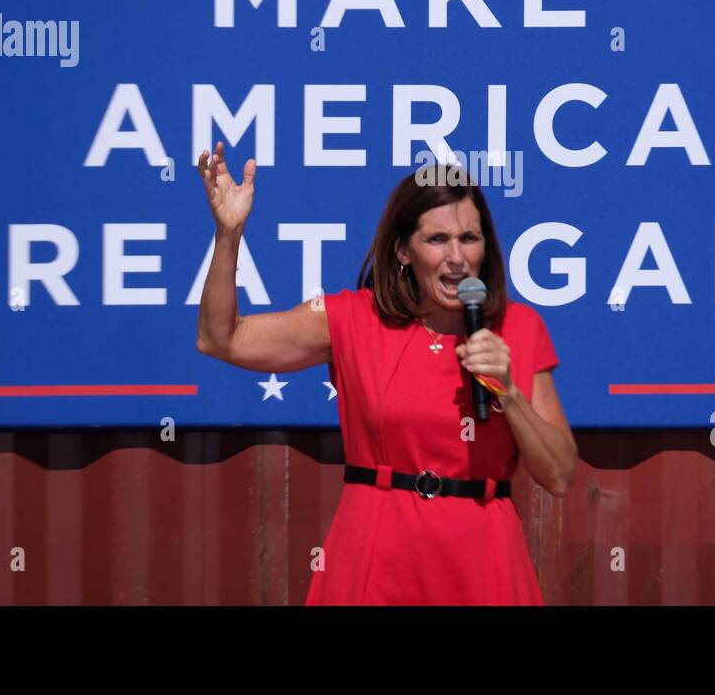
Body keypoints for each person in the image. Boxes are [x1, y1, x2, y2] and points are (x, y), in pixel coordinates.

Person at [195, 141, 577, 605]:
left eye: (469, 239)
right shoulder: (353, 320)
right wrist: (228, 233)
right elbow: (222, 338)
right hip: (377, 556)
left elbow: (558, 474)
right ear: (402, 251)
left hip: (484, 559)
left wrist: (508, 391)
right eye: (437, 240)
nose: (456, 258)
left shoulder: (518, 327)